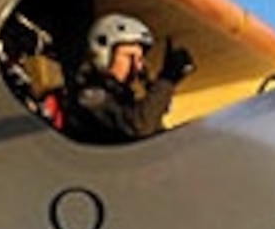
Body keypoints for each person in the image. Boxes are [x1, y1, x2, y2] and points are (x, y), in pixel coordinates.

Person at [55, 14, 194, 144]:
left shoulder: (123, 99)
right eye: (129, 57)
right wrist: (166, 79)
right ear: (104, 56)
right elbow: (139, 126)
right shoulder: (90, 97)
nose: (137, 67)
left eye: (139, 59)